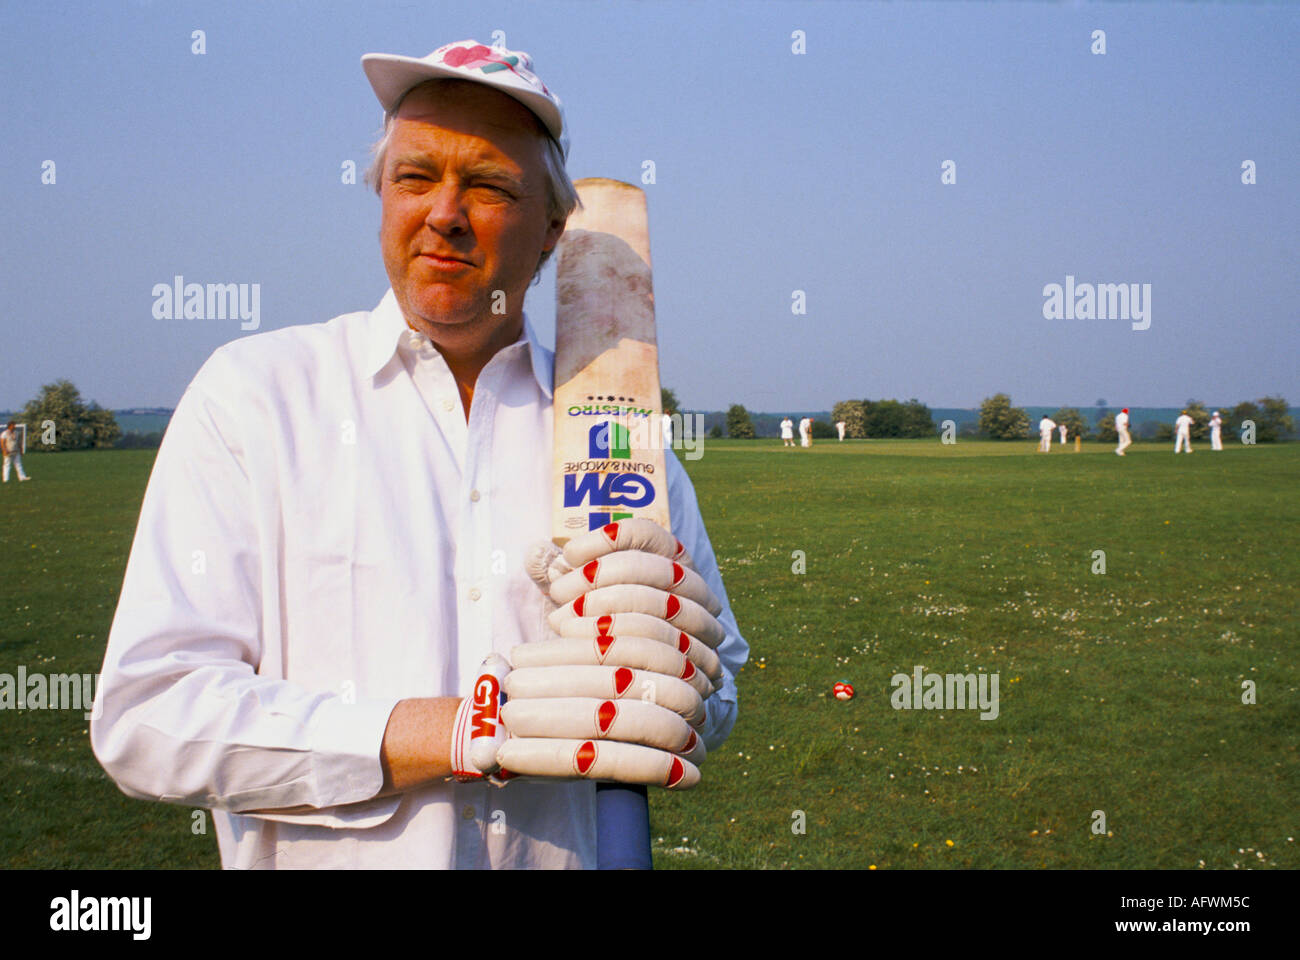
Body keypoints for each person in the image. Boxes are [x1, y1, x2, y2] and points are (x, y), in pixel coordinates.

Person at [90, 40, 748, 870]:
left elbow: (716, 689)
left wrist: (677, 677)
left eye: (489, 185)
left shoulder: (616, 439)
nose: (444, 212)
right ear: (379, 199)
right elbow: (149, 715)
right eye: (414, 177)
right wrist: (446, 729)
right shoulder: (255, 398)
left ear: (552, 232)